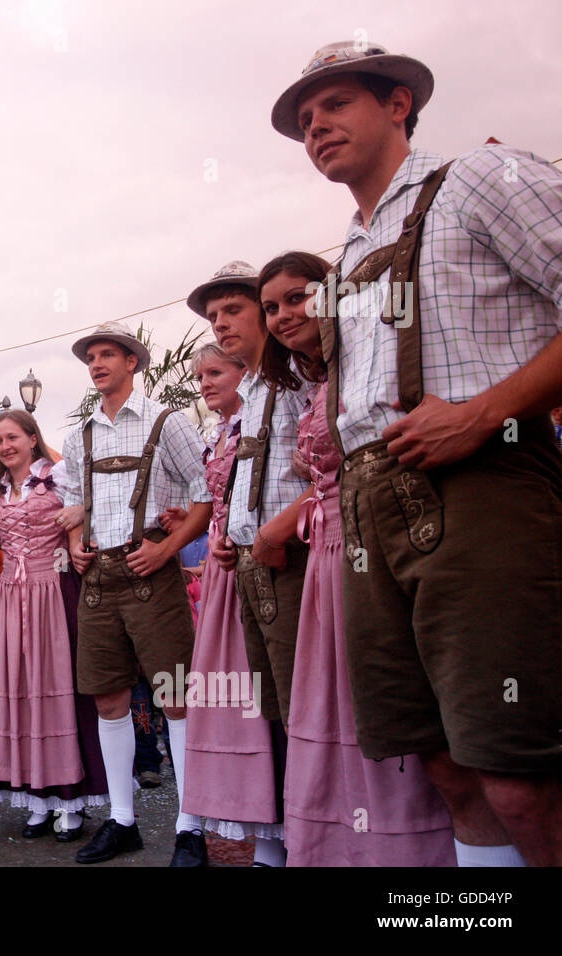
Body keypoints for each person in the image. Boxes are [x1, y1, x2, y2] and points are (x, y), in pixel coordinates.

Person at [273, 40, 562, 866]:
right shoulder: (352, 248)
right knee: (441, 761)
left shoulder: (475, 179)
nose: (315, 127)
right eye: (304, 120)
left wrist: (484, 415)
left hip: (483, 482)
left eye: (334, 105)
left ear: (398, 103)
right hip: (370, 507)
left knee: (514, 765)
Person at [260, 250, 456, 866]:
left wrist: (281, 525)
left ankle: (414, 856)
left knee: (393, 711)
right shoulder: (315, 382)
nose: (283, 315)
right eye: (273, 307)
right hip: (326, 555)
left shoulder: (373, 361)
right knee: (333, 707)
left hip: (372, 544)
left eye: (297, 297)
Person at [61, 321, 212, 864]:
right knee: (108, 697)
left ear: (133, 363)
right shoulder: (80, 434)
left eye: (108, 355)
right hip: (99, 578)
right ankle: (123, 820)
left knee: (174, 697)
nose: (98, 363)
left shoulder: (166, 422)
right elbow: (73, 501)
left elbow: (208, 492)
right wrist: (76, 540)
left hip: (151, 570)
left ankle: (190, 825)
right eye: (92, 357)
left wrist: (168, 549)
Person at [190, 261, 312, 868]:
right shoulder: (257, 394)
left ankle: (311, 843)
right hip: (247, 569)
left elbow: (332, 470)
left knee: (301, 712)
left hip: (298, 563)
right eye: (216, 317)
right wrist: (228, 537)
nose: (223, 323)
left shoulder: (298, 379)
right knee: (269, 712)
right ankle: (275, 847)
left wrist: (270, 530)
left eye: (234, 310)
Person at [169, 344, 280, 866]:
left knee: (263, 703)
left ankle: (278, 844)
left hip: (260, 567)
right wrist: (200, 527)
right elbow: (214, 505)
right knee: (229, 703)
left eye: (215, 373)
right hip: (222, 576)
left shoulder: (270, 416)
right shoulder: (216, 435)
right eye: (199, 376)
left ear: (245, 372)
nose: (205, 383)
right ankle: (258, 841)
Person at [0, 409, 109, 839]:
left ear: (33, 438)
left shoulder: (60, 475)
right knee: (21, 691)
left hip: (53, 591)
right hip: (11, 597)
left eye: (13, 437)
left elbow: (83, 509)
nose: (6, 446)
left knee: (57, 689)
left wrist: (75, 544)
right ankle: (37, 797)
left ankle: (70, 800)